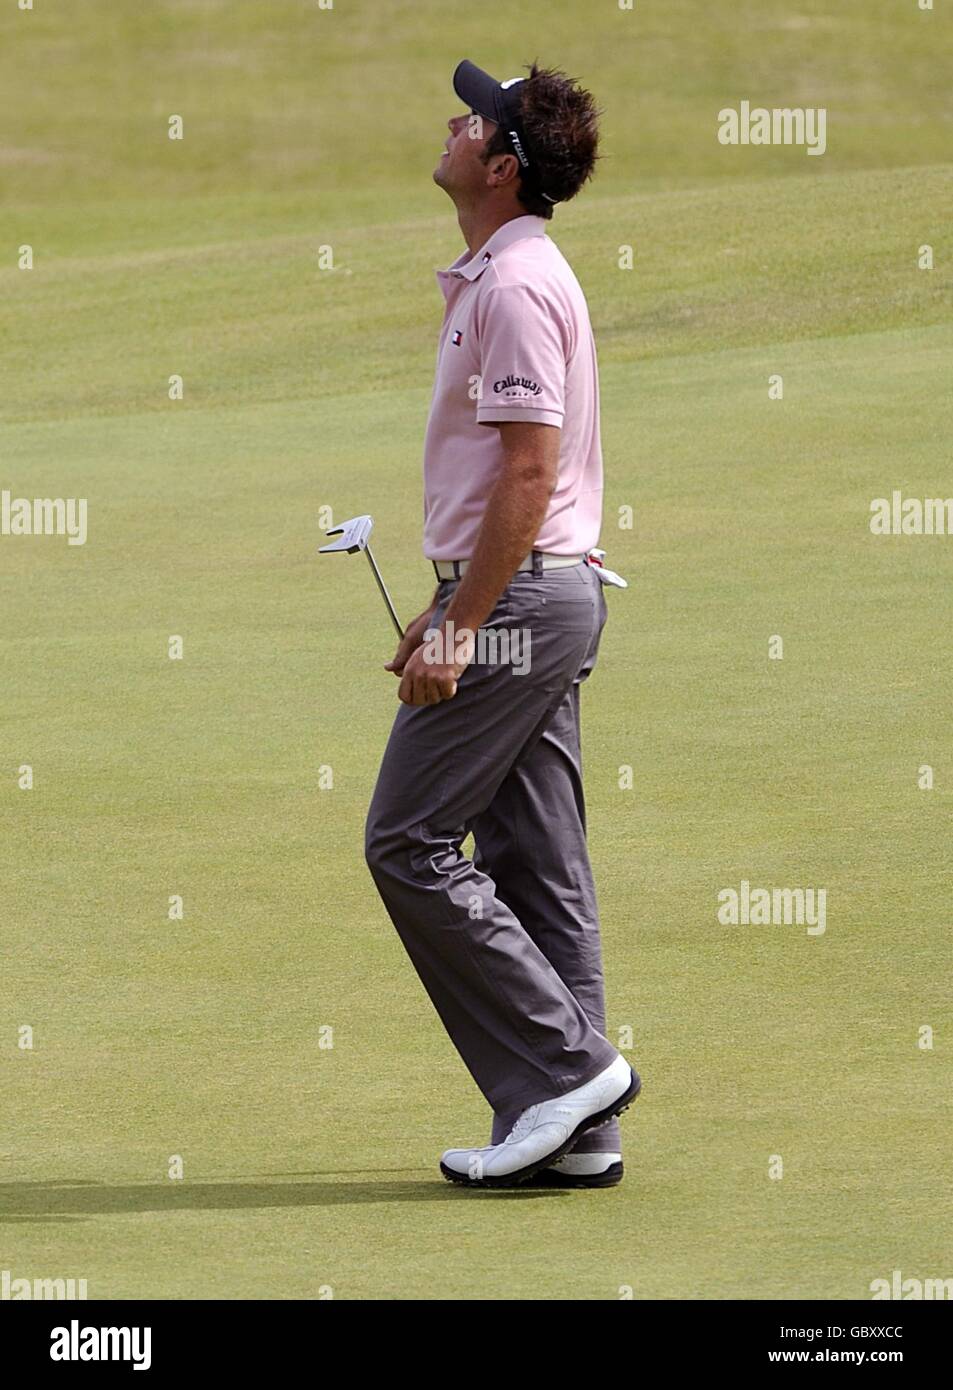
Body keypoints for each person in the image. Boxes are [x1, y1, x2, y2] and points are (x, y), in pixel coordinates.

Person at [365, 59, 640, 1189]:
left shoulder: (517, 287)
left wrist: (457, 623)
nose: (450, 121)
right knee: (535, 860)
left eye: (472, 118)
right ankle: (581, 1131)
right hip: (527, 590)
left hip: (522, 596)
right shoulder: (501, 272)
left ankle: (571, 1069)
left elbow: (526, 479)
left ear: (500, 164)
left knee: (408, 841)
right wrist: (446, 601)